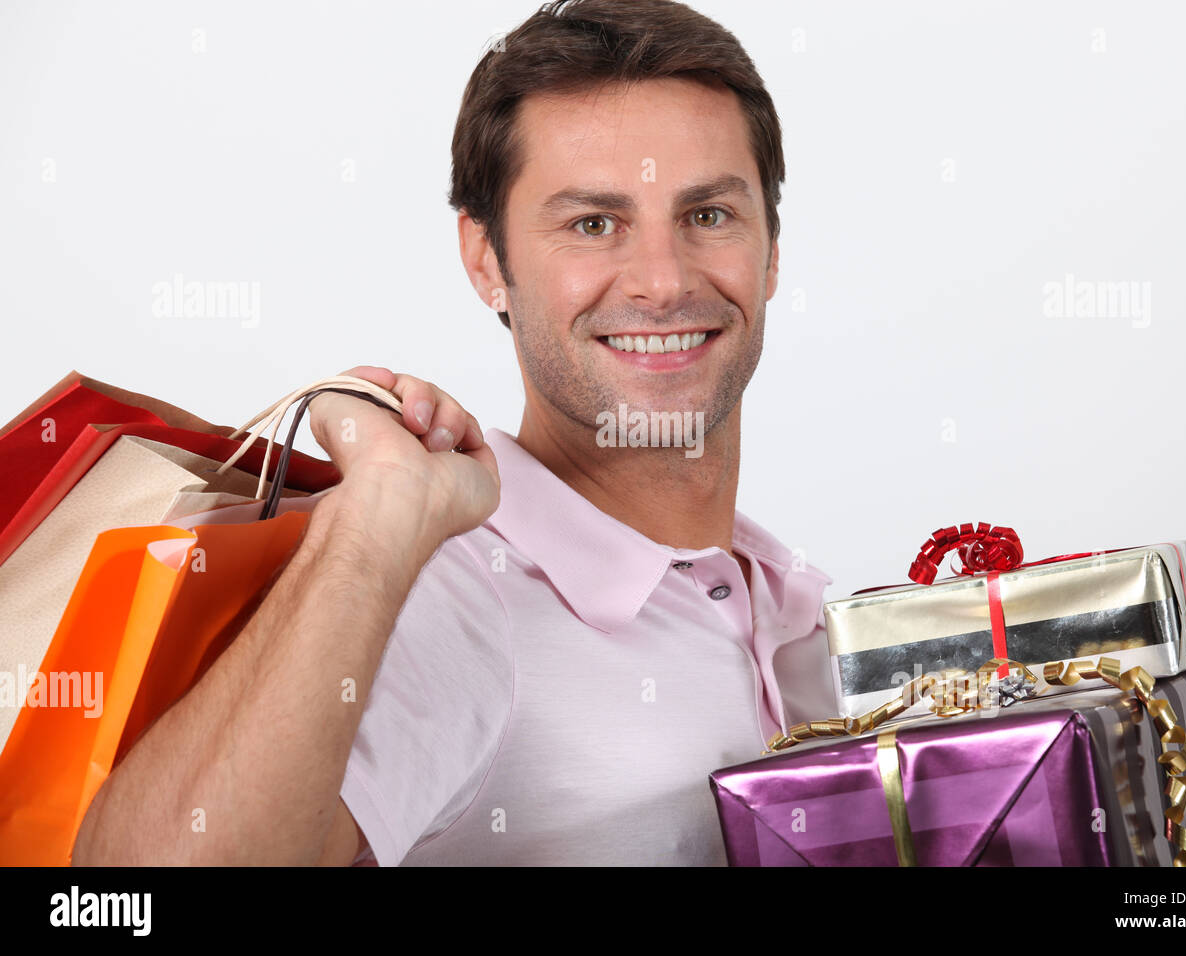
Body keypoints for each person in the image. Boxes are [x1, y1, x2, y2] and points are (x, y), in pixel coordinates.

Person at [72, 0, 836, 866]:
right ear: (486, 260)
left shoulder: (791, 596)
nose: (661, 282)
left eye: (707, 215)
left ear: (771, 249)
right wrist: (375, 522)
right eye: (593, 223)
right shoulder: (449, 594)